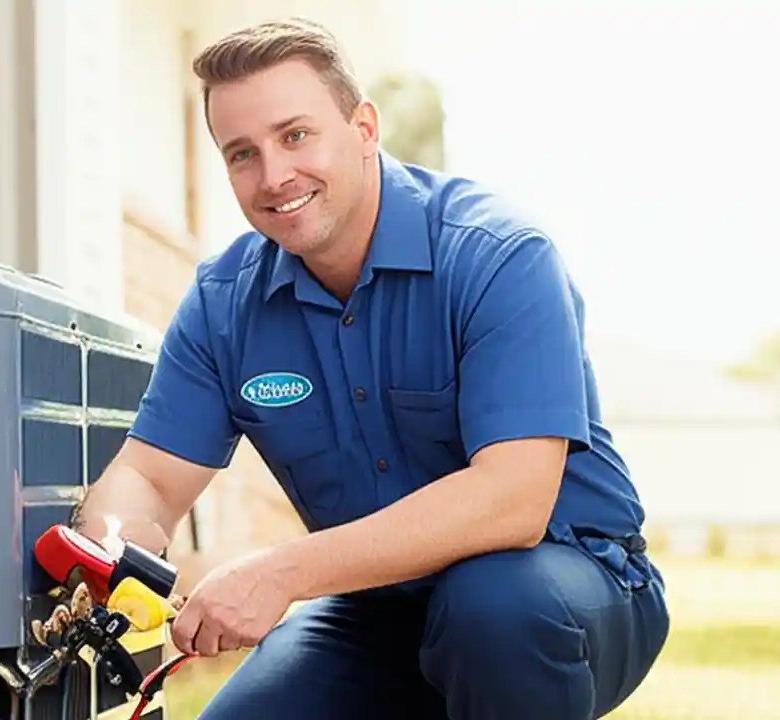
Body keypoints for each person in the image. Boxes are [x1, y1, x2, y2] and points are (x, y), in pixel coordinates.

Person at [70, 17, 669, 719]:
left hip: (564, 587)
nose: (274, 176)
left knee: (493, 609)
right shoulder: (223, 304)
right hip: (378, 611)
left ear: (363, 128)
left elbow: (514, 498)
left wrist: (279, 574)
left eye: (295, 136)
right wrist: (116, 549)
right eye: (241, 154)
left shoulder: (498, 255)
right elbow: (147, 477)